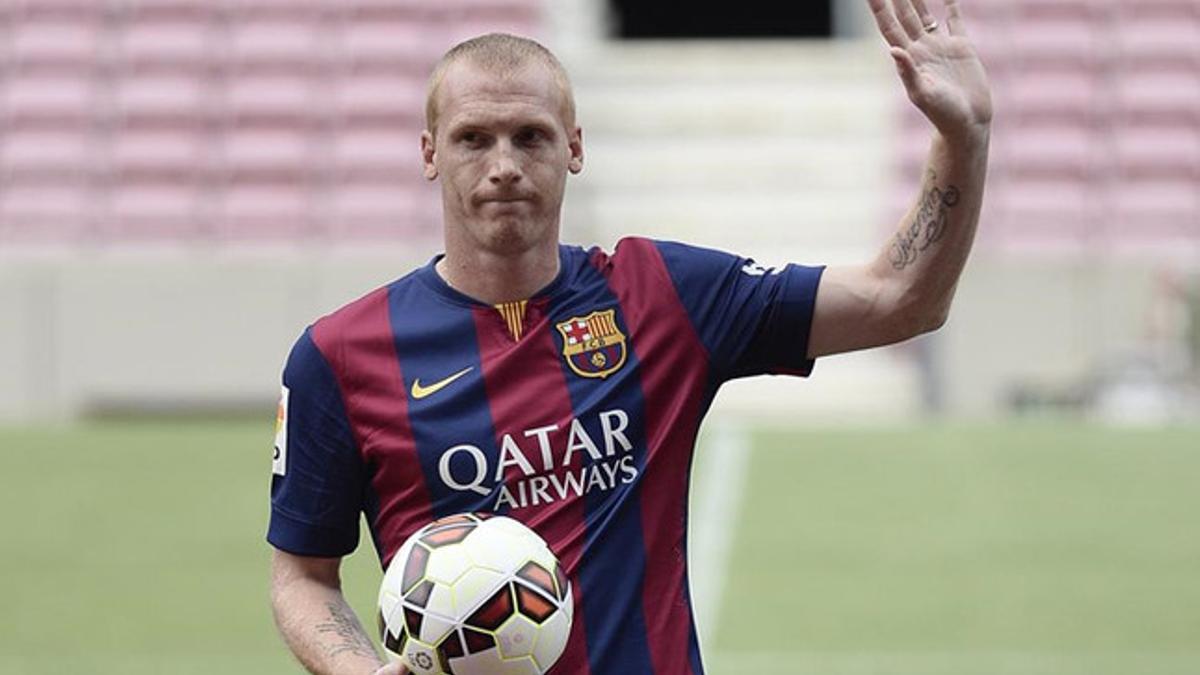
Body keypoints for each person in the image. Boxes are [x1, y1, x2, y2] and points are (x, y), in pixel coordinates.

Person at [267, 0, 992, 672]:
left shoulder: (661, 295)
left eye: (531, 136)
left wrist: (963, 136)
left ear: (574, 147)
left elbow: (898, 299)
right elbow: (302, 575)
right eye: (472, 139)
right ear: (430, 153)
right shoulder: (338, 356)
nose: (504, 165)